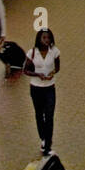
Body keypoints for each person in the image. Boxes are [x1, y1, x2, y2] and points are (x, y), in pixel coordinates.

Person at [24, 28, 60, 156]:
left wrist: (52, 73)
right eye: (44, 38)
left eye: (48, 38)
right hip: (36, 88)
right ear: (39, 39)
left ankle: (48, 144)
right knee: (39, 114)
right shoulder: (32, 53)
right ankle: (43, 138)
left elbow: (57, 67)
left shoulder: (54, 51)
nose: (46, 40)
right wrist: (37, 74)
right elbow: (26, 70)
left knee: (49, 115)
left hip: (50, 87)